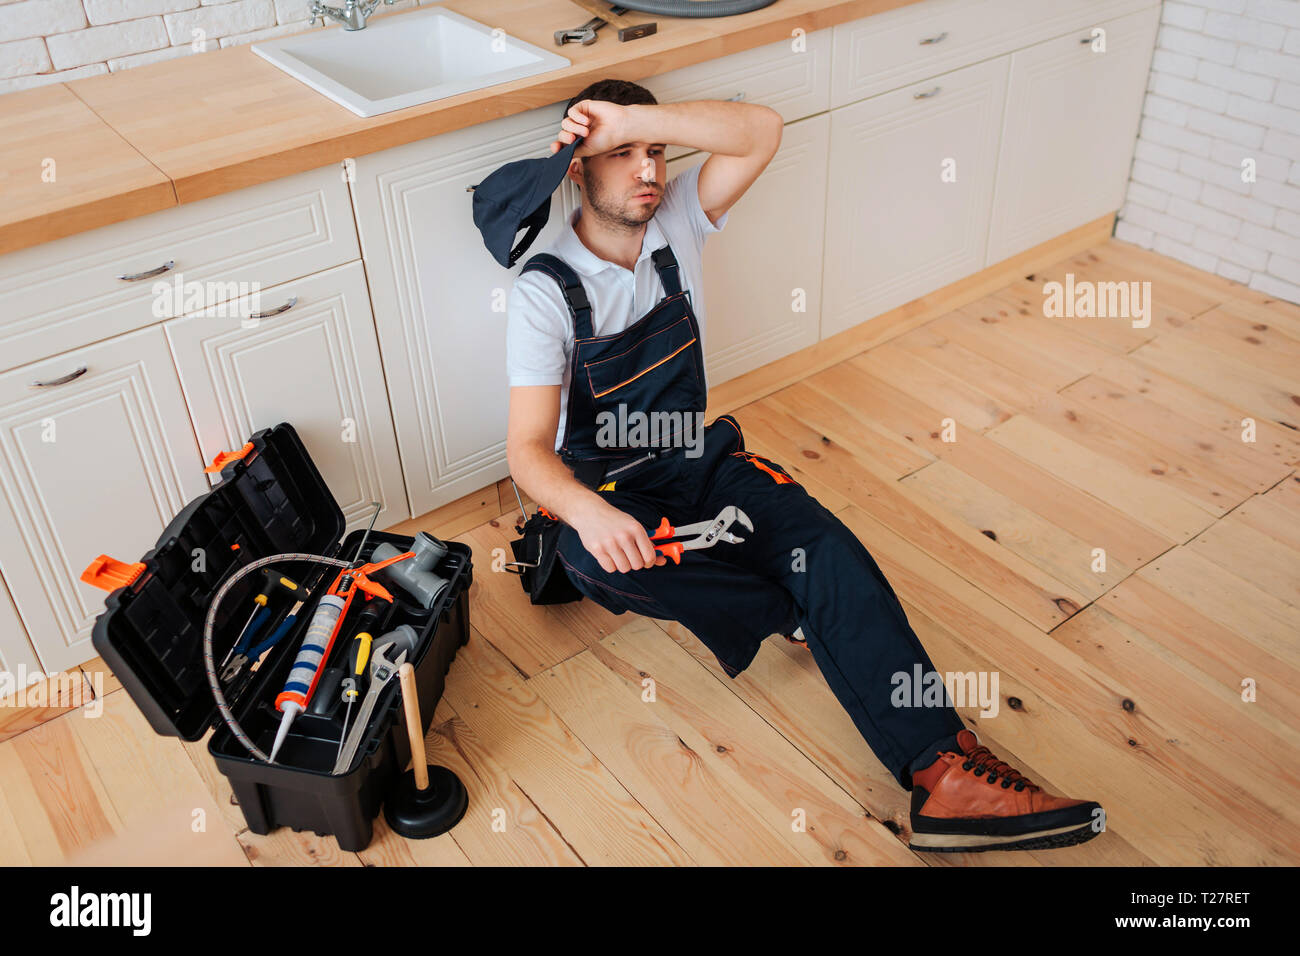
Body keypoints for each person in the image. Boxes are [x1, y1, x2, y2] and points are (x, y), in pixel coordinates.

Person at [505, 79, 1102, 853]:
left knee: (825, 545)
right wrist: (587, 508)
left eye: (655, 151)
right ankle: (791, 611)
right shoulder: (544, 289)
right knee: (594, 559)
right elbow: (526, 451)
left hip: (704, 461)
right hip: (617, 487)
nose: (647, 170)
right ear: (577, 169)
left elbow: (760, 129)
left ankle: (943, 775)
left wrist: (632, 121)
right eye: (621, 156)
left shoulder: (677, 219)